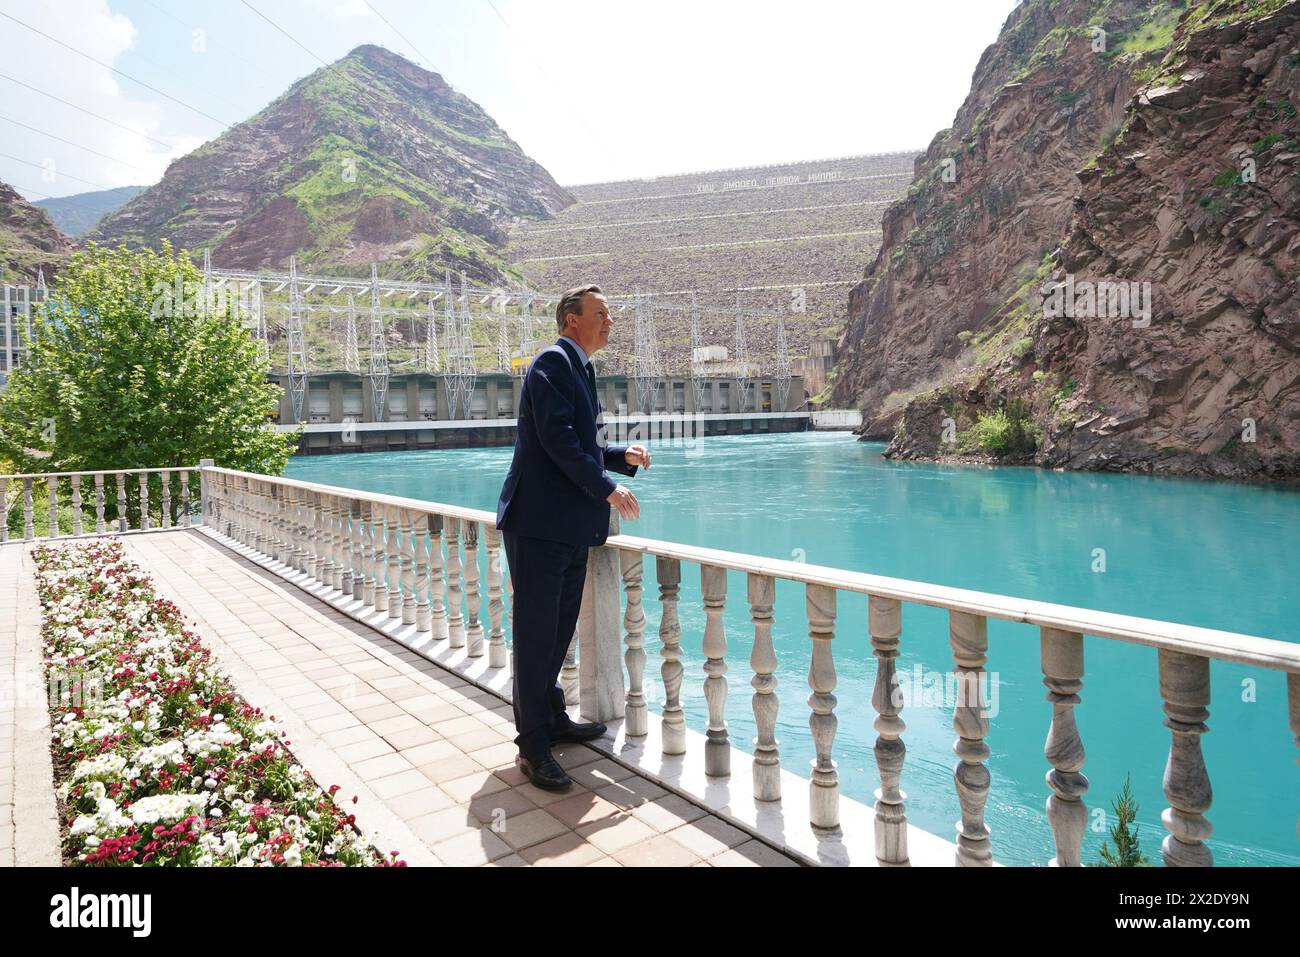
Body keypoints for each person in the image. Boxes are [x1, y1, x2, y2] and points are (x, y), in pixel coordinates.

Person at [495, 284, 651, 790]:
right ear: (571, 320)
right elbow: (557, 442)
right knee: (537, 636)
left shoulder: (579, 368)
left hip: (566, 528)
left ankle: (555, 718)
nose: (609, 322)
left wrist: (617, 458)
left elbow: (580, 445)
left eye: (610, 314)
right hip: (539, 526)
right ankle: (533, 746)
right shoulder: (552, 363)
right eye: (600, 314)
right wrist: (607, 489)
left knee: (558, 633)